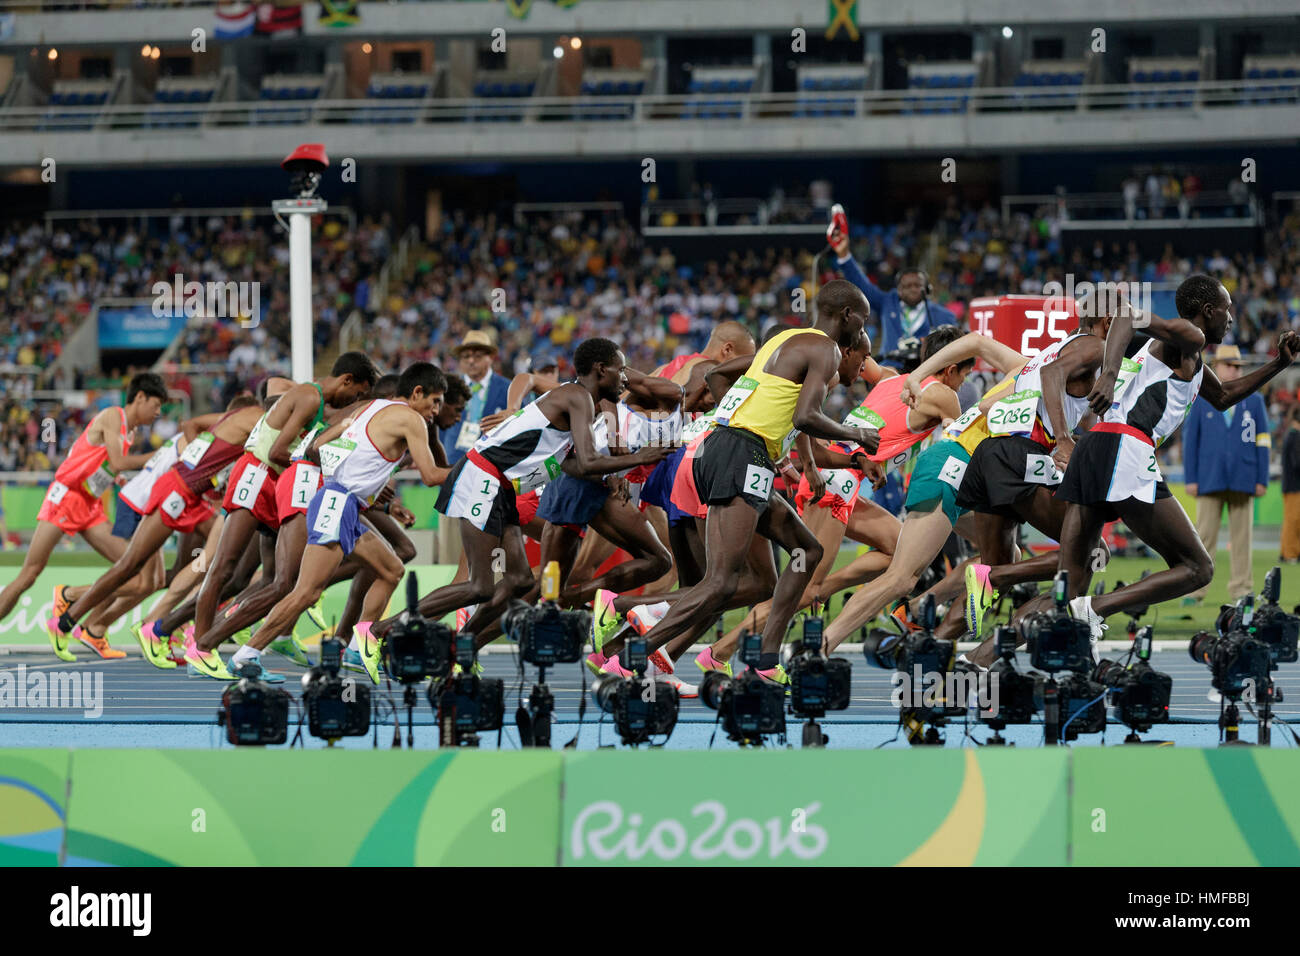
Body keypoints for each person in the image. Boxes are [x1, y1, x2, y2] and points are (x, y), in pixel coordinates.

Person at [1012, 275, 1299, 646]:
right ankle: (1096, 608)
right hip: (1126, 449)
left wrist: (1280, 364)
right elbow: (1126, 316)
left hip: (1093, 448)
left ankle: (987, 655)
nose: (1231, 320)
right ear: (1208, 311)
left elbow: (1226, 394)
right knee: (1197, 568)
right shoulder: (1191, 338)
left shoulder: (1181, 352)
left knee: (1067, 587)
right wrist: (1109, 376)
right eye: (1228, 311)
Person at [378, 338, 673, 671]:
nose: (626, 376)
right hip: (483, 478)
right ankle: (377, 633)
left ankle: (462, 648)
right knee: (478, 585)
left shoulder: (582, 400)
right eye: (621, 368)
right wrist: (639, 457)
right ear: (601, 369)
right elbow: (587, 461)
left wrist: (613, 472)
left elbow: (575, 464)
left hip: (502, 485)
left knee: (520, 581)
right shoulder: (577, 396)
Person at [637, 280, 879, 682]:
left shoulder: (783, 338)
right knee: (720, 582)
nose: (863, 329)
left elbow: (719, 377)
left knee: (806, 551)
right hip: (740, 453)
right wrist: (857, 436)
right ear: (848, 316)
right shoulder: (827, 349)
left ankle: (767, 662)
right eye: (864, 320)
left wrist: (736, 424)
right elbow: (805, 416)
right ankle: (634, 651)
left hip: (734, 450)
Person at [229, 363, 451, 680]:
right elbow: (431, 475)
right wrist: (478, 465)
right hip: (338, 503)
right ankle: (245, 656)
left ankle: (358, 649)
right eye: (436, 402)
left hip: (340, 501)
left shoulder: (371, 408)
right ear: (417, 393)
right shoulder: (411, 418)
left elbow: (316, 446)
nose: (436, 411)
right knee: (305, 592)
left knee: (392, 569)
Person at [0, 373, 167, 633]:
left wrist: (118, 479)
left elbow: (107, 466)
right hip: (66, 498)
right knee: (29, 574)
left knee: (132, 572)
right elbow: (118, 461)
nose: (158, 413)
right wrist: (161, 455)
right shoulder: (114, 416)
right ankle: (75, 606)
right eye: (156, 405)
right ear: (140, 397)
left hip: (90, 506)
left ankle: (75, 602)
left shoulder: (130, 433)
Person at [1182, 344, 1271, 602]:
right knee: (1203, 538)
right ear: (1217, 367)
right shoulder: (1200, 399)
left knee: (1242, 540)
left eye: (1237, 367)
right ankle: (1196, 590)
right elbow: (1191, 441)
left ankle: (1242, 591)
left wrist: (1261, 478)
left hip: (1243, 476)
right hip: (1209, 477)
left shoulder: (1255, 401)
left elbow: (1263, 441)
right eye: (1229, 365)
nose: (1233, 370)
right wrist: (1191, 478)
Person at [827, 209, 955, 364]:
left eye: (917, 285)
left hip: (925, 377)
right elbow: (862, 286)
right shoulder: (888, 302)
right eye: (907, 286)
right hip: (889, 373)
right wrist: (844, 255)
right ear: (898, 290)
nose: (913, 289)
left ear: (928, 289)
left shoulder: (944, 316)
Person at [440, 329, 511, 464]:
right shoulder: (448, 388)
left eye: (477, 356)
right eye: (466, 356)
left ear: (490, 358)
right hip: (453, 459)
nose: (471, 361)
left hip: (493, 460)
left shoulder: (508, 389)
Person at [1282, 406, 1300, 563]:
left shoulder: (1290, 435)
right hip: (1295, 486)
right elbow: (1297, 463)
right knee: (1293, 521)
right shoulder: (1296, 437)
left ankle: (1287, 551)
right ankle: (1290, 553)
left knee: (1292, 520)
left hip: (1290, 484)